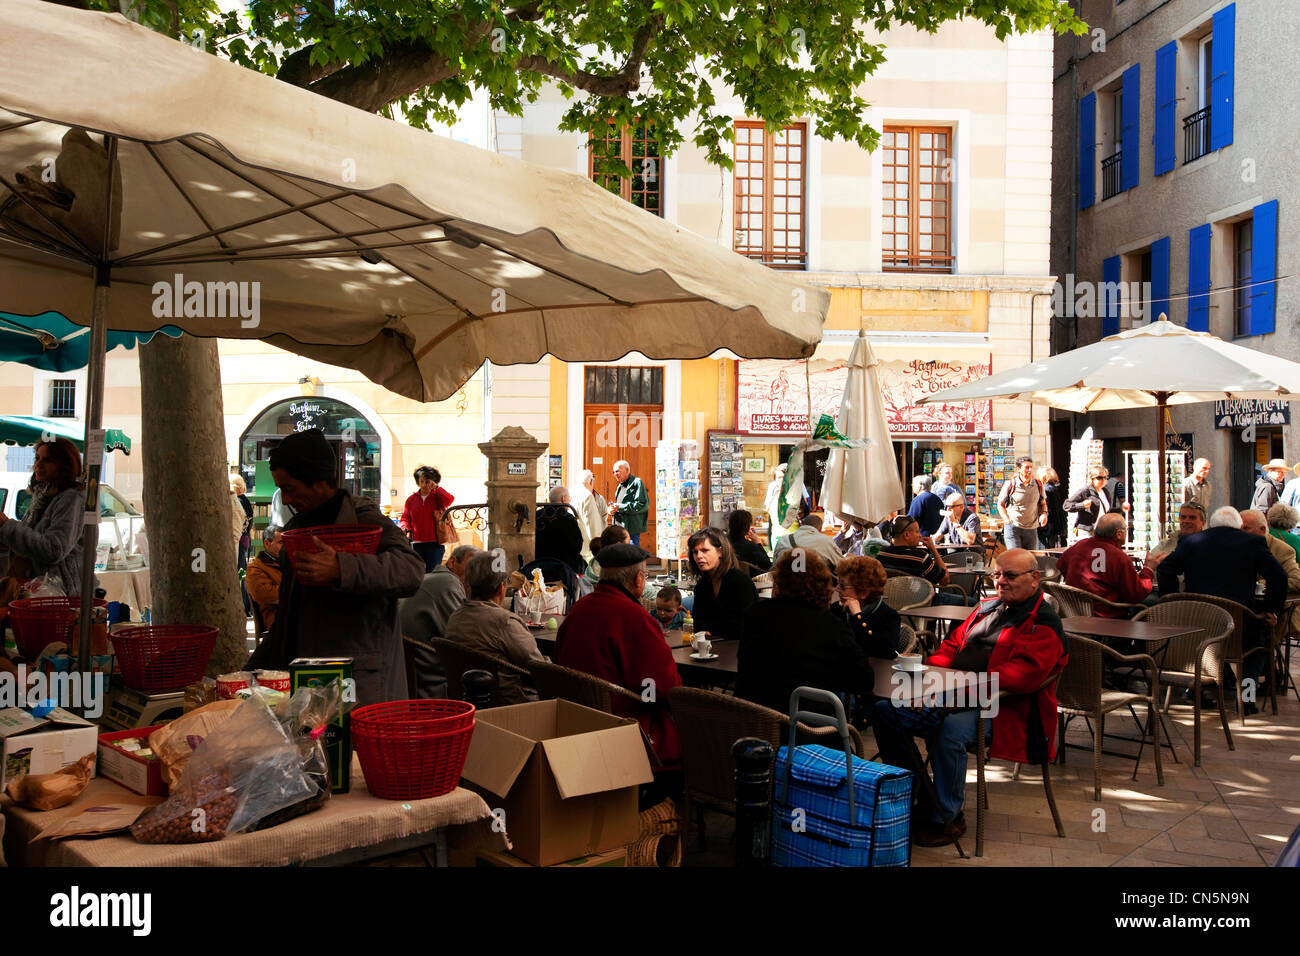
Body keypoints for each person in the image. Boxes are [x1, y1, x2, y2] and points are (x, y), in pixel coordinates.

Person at [871, 548, 1068, 847]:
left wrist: (951, 694)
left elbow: (1018, 677)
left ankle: (946, 816)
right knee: (887, 709)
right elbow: (950, 646)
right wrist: (931, 684)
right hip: (952, 694)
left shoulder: (1043, 623)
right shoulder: (985, 607)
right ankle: (916, 790)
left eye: (1010, 576)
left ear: (1034, 578)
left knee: (949, 731)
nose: (1001, 581)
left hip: (1005, 710)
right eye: (997, 575)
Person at [246, 429, 424, 705]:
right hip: (308, 683)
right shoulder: (295, 530)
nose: (287, 499)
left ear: (319, 481)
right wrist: (248, 675)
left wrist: (342, 567)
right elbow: (287, 620)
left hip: (361, 685)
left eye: (291, 488)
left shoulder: (362, 518)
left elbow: (410, 570)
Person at [555, 543, 683, 764]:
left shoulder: (579, 609)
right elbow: (661, 686)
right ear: (639, 580)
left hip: (574, 718)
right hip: (624, 726)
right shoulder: (636, 618)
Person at [1157, 507, 1286, 714]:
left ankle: (1196, 692)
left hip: (1198, 625)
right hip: (1238, 627)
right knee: (1260, 644)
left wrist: (1172, 602)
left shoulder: (1190, 542)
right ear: (1239, 526)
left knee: (1204, 646)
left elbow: (1164, 569)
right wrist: (1271, 610)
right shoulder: (1252, 543)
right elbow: (1279, 577)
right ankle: (1247, 698)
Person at [736, 550, 876, 713]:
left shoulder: (754, 614)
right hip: (808, 728)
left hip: (753, 720)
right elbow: (865, 679)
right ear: (822, 585)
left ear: (778, 581)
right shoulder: (829, 625)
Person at [444, 550, 544, 704]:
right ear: (500, 588)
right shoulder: (505, 622)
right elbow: (538, 668)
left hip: (465, 701)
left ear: (468, 584)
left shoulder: (455, 617)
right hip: (510, 706)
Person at [0, 438, 87, 596]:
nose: (38, 465)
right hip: (39, 590)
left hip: (61, 595)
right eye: (37, 458)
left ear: (64, 465)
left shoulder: (71, 498)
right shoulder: (42, 496)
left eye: (47, 460)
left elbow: (54, 549)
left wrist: (8, 526)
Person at [399, 545, 481, 698]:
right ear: (452, 562)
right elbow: (465, 638)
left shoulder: (432, 579)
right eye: (472, 565)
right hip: (431, 679)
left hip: (410, 674)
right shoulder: (448, 582)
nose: (475, 572)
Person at [1055, 513, 1161, 617]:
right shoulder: (1119, 557)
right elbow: (1136, 594)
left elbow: (1061, 565)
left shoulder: (1079, 546)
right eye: (1126, 530)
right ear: (1119, 534)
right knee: (1156, 600)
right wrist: (1148, 570)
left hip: (1074, 612)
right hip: (1107, 615)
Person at [687, 527, 758, 642]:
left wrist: (710, 630)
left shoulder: (740, 582)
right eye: (695, 552)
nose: (699, 556)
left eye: (705, 550)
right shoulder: (702, 585)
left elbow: (741, 625)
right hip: (711, 646)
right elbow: (699, 622)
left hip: (739, 648)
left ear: (720, 551)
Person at [876, 516, 963, 603]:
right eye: (917, 531)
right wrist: (933, 549)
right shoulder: (920, 557)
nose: (920, 535)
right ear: (907, 535)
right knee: (973, 603)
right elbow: (945, 580)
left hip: (891, 603)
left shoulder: (881, 554)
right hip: (922, 603)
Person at [831, 555, 901, 658]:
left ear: (863, 592)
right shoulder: (837, 609)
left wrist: (857, 616)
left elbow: (883, 652)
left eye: (842, 585)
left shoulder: (888, 616)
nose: (837, 589)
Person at [398, 465, 455, 573]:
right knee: (417, 572)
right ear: (418, 482)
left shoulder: (438, 498)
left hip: (435, 543)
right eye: (422, 481)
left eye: (427, 482)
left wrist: (437, 488)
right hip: (416, 543)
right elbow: (405, 518)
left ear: (433, 482)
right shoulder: (411, 500)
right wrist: (404, 527)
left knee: (432, 573)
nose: (424, 485)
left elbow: (450, 499)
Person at [1241, 509, 1300, 594]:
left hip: (1266, 604)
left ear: (1262, 529)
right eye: (1237, 528)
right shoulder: (1236, 545)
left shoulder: (1283, 550)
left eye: (1246, 528)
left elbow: (1297, 581)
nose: (1240, 532)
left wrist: (1261, 584)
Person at [997, 456, 1046, 550]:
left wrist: (1044, 514)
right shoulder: (1010, 484)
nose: (1030, 470)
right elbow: (1000, 504)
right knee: (1015, 558)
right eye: (1027, 467)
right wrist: (1006, 519)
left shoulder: (1038, 485)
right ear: (1019, 469)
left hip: (1031, 529)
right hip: (1013, 527)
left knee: (1029, 559)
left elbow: (1043, 503)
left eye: (1031, 467)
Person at [536, 486, 585, 574]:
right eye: (569, 498)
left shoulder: (537, 515)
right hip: (563, 568)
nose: (569, 500)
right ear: (563, 499)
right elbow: (577, 545)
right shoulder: (567, 518)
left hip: (538, 566)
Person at [244, 528, 285, 632]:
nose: (285, 547)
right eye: (281, 543)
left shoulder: (288, 562)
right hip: (277, 618)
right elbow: (263, 593)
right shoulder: (255, 568)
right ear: (267, 543)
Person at [772, 513, 842, 570]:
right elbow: (840, 564)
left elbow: (775, 566)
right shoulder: (826, 541)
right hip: (816, 585)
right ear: (820, 528)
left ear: (802, 524)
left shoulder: (783, 540)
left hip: (786, 584)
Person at [1063, 467, 1116, 538]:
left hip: (1101, 530)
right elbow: (1066, 505)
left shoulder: (1105, 492)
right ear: (1091, 479)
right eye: (1099, 478)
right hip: (1086, 531)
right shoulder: (1085, 491)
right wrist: (1082, 505)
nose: (1103, 480)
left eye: (1105, 477)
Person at [607, 460, 648, 547]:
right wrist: (611, 510)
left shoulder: (637, 482)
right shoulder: (620, 485)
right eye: (613, 472)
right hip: (618, 530)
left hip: (631, 532)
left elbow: (642, 505)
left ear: (627, 470)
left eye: (617, 471)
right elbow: (618, 506)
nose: (615, 474)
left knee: (632, 556)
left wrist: (619, 507)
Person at [570, 469, 606, 562]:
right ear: (590, 481)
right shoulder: (587, 496)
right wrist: (597, 545)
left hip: (575, 542)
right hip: (587, 547)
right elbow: (592, 523)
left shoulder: (571, 493)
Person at [231, 474, 254, 615]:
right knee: (242, 572)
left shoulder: (237, 502)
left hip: (238, 540)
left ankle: (244, 607)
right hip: (245, 539)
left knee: (240, 573)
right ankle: (246, 607)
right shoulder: (246, 500)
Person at [727, 509, 772, 574]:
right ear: (747, 527)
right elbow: (768, 566)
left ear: (729, 524)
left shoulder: (722, 542)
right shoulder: (751, 547)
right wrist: (758, 544)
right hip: (748, 581)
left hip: (724, 580)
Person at [764, 463, 793, 548]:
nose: (781, 480)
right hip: (776, 537)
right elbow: (768, 509)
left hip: (792, 538)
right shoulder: (773, 491)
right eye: (779, 477)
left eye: (784, 477)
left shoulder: (794, 493)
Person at [1041, 466, 1067, 548]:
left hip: (1049, 524)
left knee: (1047, 548)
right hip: (1056, 524)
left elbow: (1050, 508)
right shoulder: (1055, 488)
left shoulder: (1046, 489)